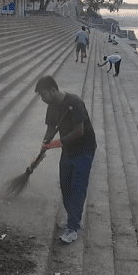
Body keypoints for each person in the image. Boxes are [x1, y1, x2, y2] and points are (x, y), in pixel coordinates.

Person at [35, 75, 97, 244]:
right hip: (68, 150)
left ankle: (73, 227)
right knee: (65, 185)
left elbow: (79, 131)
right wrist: (43, 147)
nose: (42, 99)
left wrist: (56, 143)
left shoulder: (75, 102)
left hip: (84, 149)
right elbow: (50, 129)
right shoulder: (52, 107)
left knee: (77, 187)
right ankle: (73, 219)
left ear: (52, 90)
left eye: (43, 95)